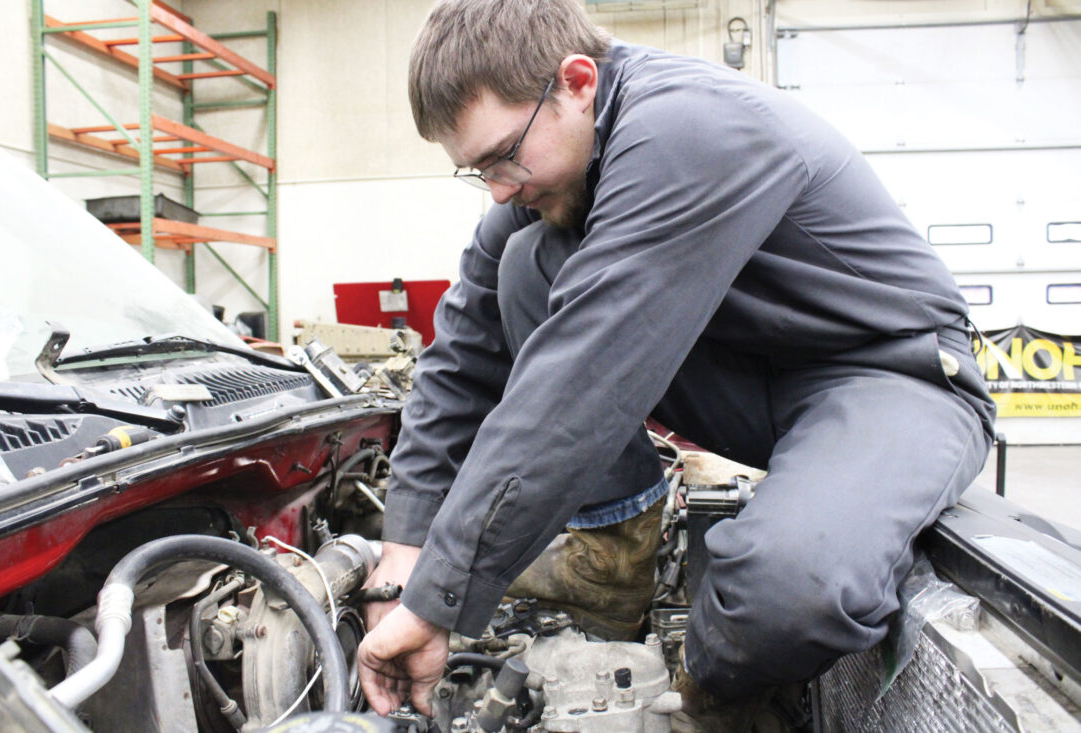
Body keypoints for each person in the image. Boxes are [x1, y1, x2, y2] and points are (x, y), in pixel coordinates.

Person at [357, 0, 996, 725]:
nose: (499, 188)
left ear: (576, 81)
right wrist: (404, 549)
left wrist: (443, 593)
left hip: (887, 375)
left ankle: (707, 698)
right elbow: (461, 354)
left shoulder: (686, 127)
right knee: (523, 260)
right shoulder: (557, 162)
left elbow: (580, 378)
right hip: (749, 382)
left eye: (504, 156)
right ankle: (612, 556)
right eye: (477, 171)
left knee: (786, 593)